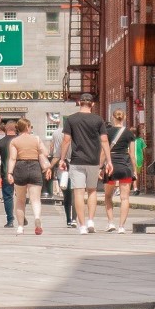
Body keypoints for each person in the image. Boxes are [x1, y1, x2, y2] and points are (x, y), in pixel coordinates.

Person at [59, 96, 110, 234]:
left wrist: (62, 159)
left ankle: (82, 226)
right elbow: (104, 141)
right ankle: (91, 221)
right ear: (92, 104)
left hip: (77, 160)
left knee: (78, 192)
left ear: (79, 103)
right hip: (93, 161)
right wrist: (108, 161)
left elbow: (66, 140)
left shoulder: (71, 119)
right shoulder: (98, 120)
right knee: (92, 190)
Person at [7, 116, 50, 235]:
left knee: (20, 200)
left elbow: (12, 158)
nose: (31, 128)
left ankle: (20, 227)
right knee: (35, 199)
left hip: (20, 167)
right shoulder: (36, 139)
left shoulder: (14, 141)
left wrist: (10, 173)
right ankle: (37, 218)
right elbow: (46, 153)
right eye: (30, 126)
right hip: (35, 166)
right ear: (27, 127)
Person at [101, 107, 140, 231]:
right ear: (124, 118)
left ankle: (111, 222)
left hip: (110, 167)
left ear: (113, 118)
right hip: (124, 167)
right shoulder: (129, 133)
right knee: (125, 198)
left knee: (108, 196)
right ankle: (122, 226)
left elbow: (103, 152)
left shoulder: (107, 132)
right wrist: (134, 170)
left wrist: (99, 167)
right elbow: (132, 155)